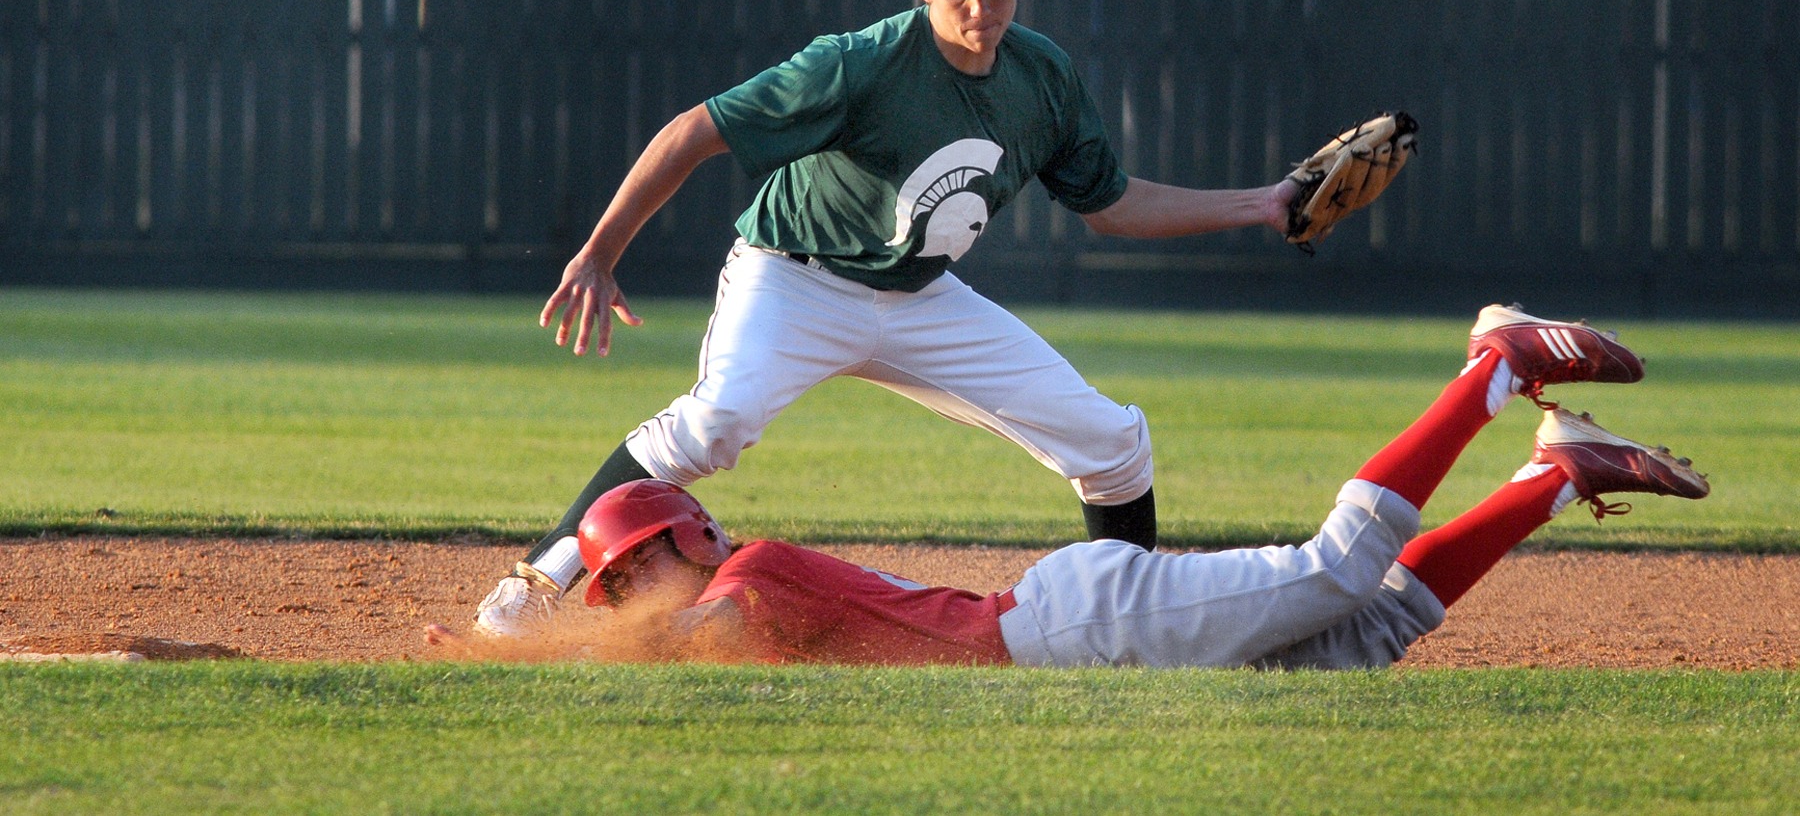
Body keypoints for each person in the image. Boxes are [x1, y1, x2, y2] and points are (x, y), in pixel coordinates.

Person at [468, 0, 1323, 637]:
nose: (980, 9)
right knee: (717, 421)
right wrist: (600, 252)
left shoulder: (1043, 78)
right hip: (794, 277)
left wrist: (1262, 203)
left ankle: (1133, 615)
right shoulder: (859, 64)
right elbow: (695, 131)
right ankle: (535, 583)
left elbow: (1112, 205)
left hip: (918, 296)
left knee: (1111, 442)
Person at [548, 305, 1708, 668]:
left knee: (1336, 568)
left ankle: (1495, 364)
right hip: (1063, 640)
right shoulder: (728, 606)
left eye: (635, 566)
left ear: (693, 532)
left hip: (1072, 625)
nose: (633, 590)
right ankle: (1555, 475)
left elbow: (694, 636)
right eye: (618, 586)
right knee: (1366, 634)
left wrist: (529, 643)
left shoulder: (749, 577)